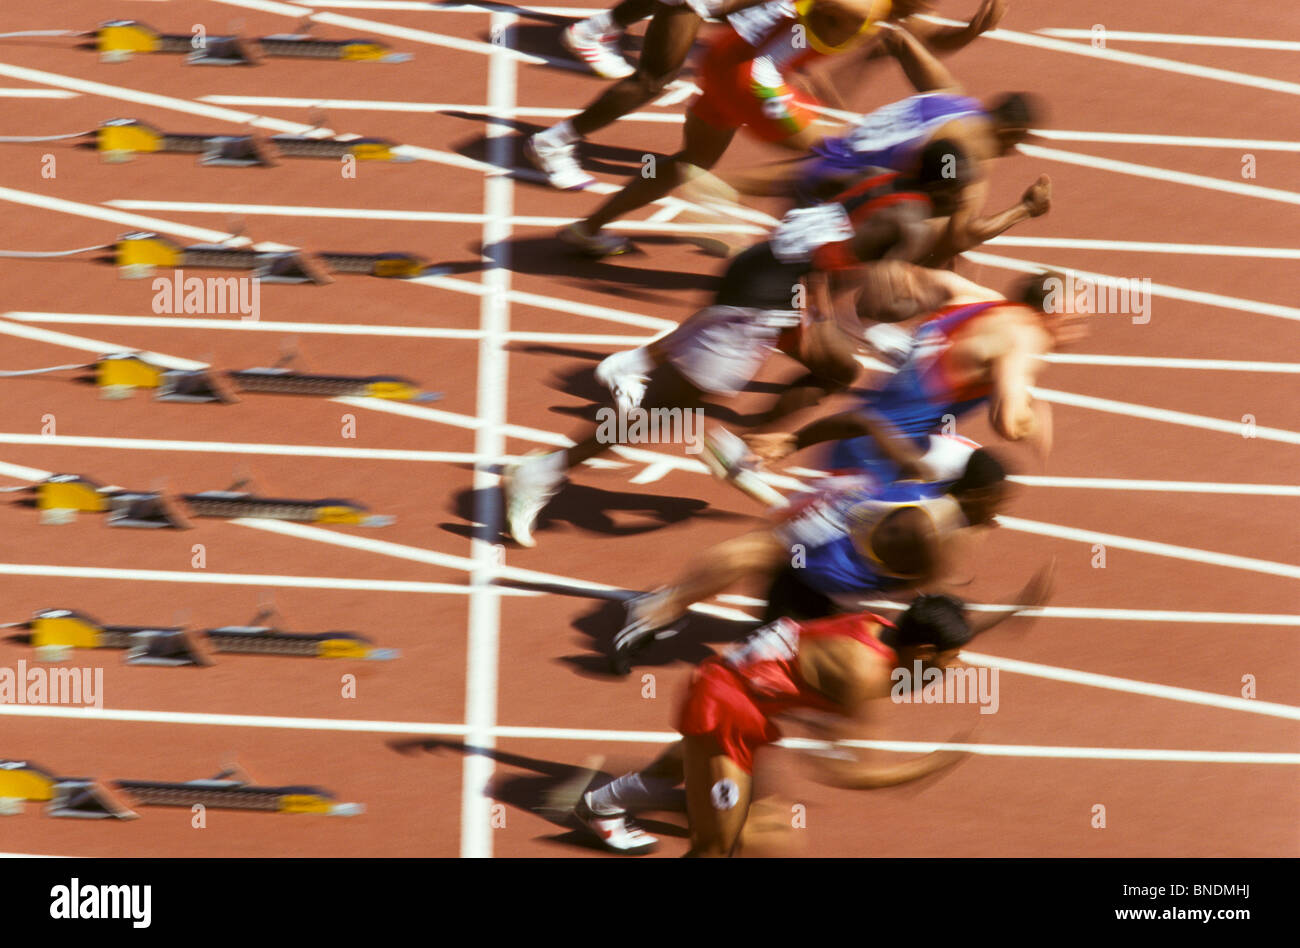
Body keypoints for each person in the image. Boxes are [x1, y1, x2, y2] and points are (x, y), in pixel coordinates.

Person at [503, 141, 975, 548]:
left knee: (836, 368)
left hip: (766, 272)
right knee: (658, 412)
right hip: (758, 303)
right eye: (961, 189)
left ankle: (743, 449)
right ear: (943, 187)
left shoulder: (880, 177)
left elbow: (812, 187)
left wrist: (820, 289)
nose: (964, 197)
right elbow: (881, 299)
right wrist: (914, 305)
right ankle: (545, 471)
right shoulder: (912, 225)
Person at [575, 580, 1051, 855]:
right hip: (728, 707)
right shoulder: (860, 675)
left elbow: (935, 635)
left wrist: (1009, 614)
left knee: (692, 773)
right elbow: (843, 770)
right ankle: (600, 805)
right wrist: (929, 767)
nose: (958, 667)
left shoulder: (885, 628)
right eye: (951, 658)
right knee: (720, 847)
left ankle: (599, 804)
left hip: (737, 690)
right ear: (925, 651)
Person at [559, 0, 1004, 255]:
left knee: (690, 158)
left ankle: (589, 228)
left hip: (727, 62)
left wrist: (971, 31)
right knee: (832, 156)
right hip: (754, 76)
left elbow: (919, 40)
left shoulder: (886, 9)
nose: (929, 7)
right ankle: (727, 204)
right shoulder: (857, 4)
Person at [607, 442, 1013, 670]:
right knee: (764, 552)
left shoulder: (948, 502)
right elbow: (917, 598)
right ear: (975, 495)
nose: (1001, 513)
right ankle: (657, 608)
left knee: (794, 662)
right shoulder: (927, 530)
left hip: (833, 570)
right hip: (820, 562)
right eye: (997, 502)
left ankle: (673, 613)